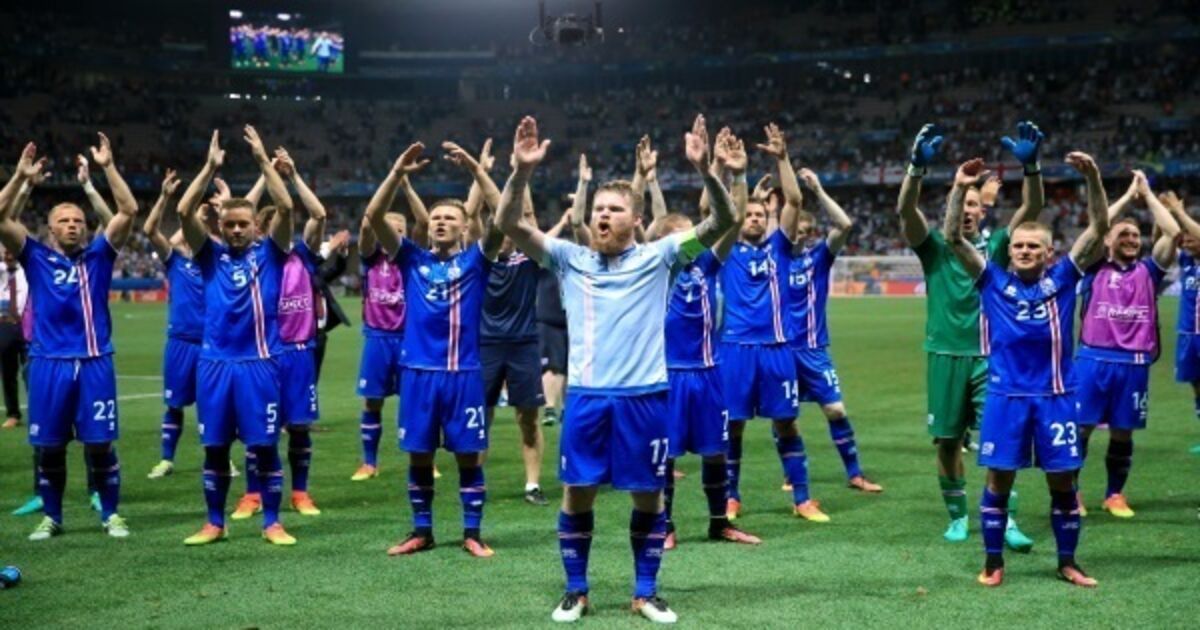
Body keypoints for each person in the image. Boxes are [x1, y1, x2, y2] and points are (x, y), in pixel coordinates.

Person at [498, 114, 735, 623]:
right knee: (577, 492)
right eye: (599, 209)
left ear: (634, 217)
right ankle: (576, 590)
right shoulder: (568, 258)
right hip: (586, 397)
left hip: (645, 398)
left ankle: (645, 592)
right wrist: (519, 173)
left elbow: (723, 223)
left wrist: (706, 171)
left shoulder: (661, 257)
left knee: (648, 497)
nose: (603, 216)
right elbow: (508, 225)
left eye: (614, 210)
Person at [945, 152, 1108, 588]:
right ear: (1009, 250)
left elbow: (1098, 230)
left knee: (1063, 482)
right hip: (1006, 397)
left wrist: (1092, 179)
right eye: (1018, 245)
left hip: (1056, 396)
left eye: (1033, 246)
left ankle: (1068, 561)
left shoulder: (1064, 279)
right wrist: (961, 189)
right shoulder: (993, 280)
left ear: (1048, 252)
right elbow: (954, 241)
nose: (1023, 251)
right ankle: (993, 562)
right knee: (999, 477)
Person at [896, 122, 1042, 546]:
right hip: (943, 355)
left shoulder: (999, 245)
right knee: (946, 442)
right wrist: (914, 169)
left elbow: (1031, 211)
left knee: (999, 440)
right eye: (963, 202)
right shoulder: (935, 248)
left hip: (989, 358)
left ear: (983, 211)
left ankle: (1007, 520)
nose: (969, 209)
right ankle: (958, 516)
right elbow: (905, 211)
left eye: (976, 204)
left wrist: (1030, 167)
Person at [367, 141, 503, 558]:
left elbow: (505, 216)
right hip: (418, 373)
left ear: (465, 227)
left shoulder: (477, 261)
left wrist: (479, 172)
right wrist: (396, 173)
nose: (442, 223)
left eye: (450, 218)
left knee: (468, 457)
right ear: (427, 227)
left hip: (463, 374)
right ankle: (422, 531)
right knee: (420, 455)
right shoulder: (411, 258)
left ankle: (472, 532)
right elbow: (373, 217)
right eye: (437, 218)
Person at [0, 136, 138, 541]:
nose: (73, 225)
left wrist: (108, 168)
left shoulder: (100, 255)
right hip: (49, 364)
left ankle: (111, 514)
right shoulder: (34, 258)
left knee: (99, 446)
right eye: (64, 220)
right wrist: (22, 182)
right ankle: (53, 517)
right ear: (50, 228)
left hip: (95, 362)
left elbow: (128, 210)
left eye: (78, 220)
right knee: (51, 448)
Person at [178, 127, 298, 546]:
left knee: (264, 447)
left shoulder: (271, 253)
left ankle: (272, 522)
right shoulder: (208, 255)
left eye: (242, 224)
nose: (234, 230)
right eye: (228, 224)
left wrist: (264, 160)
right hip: (213, 366)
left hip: (259, 365)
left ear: (254, 227)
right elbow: (182, 211)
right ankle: (215, 522)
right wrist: (209, 168)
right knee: (214, 448)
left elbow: (284, 205)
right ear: (220, 226)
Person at [646, 130, 761, 551]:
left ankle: (719, 522)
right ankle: (665, 524)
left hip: (710, 376)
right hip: (669, 377)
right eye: (675, 236)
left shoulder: (707, 268)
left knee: (717, 452)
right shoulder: (654, 274)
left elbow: (730, 220)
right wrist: (648, 181)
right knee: (667, 456)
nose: (686, 241)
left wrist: (739, 175)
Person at [719, 123, 828, 523]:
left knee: (786, 422)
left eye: (759, 214)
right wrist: (736, 173)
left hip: (778, 347)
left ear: (767, 219)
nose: (752, 218)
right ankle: (731, 497)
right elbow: (721, 212)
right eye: (746, 213)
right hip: (734, 349)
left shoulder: (779, 248)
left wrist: (782, 159)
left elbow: (795, 200)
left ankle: (802, 498)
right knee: (733, 428)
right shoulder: (726, 250)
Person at [1075, 172, 1195, 518]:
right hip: (1093, 359)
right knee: (1081, 429)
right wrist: (1128, 197)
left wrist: (1148, 194)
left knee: (1123, 433)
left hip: (1133, 363)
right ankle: (1073, 493)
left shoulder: (1149, 271)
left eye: (1134, 234)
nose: (1131, 238)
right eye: (1123, 234)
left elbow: (1175, 233)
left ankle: (1115, 494)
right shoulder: (1093, 268)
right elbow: (1097, 226)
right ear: (1108, 241)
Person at [778, 140, 883, 495]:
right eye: (797, 231)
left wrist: (818, 190)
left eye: (808, 232)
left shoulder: (817, 259)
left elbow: (845, 224)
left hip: (814, 349)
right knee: (785, 418)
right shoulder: (771, 259)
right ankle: (793, 475)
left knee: (835, 410)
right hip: (780, 350)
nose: (802, 236)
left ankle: (855, 473)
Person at [230, 148, 327, 519]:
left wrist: (293, 175)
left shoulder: (302, 254)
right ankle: (252, 494)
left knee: (299, 426)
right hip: (265, 353)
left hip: (299, 350)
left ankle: (300, 492)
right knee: (258, 428)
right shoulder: (253, 261)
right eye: (265, 228)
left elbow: (318, 214)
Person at [473, 138, 551, 506]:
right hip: (485, 344)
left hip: (523, 344)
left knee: (528, 418)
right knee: (481, 416)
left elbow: (529, 217)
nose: (502, 231)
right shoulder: (481, 259)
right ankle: (475, 481)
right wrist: (480, 172)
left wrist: (524, 171)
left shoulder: (528, 258)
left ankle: (532, 485)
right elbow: (474, 212)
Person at [143, 169, 204, 479]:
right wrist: (165, 197)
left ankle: (219, 457)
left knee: (213, 405)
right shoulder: (176, 262)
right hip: (180, 342)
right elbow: (151, 229)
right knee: (174, 405)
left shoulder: (218, 263)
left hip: (211, 345)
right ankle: (167, 458)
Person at [0, 248, 28, 429]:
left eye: (12, 253)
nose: (9, 256)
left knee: (32, 372)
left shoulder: (29, 270)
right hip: (4, 325)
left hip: (28, 325)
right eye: (5, 253)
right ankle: (13, 414)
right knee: (8, 372)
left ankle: (40, 413)